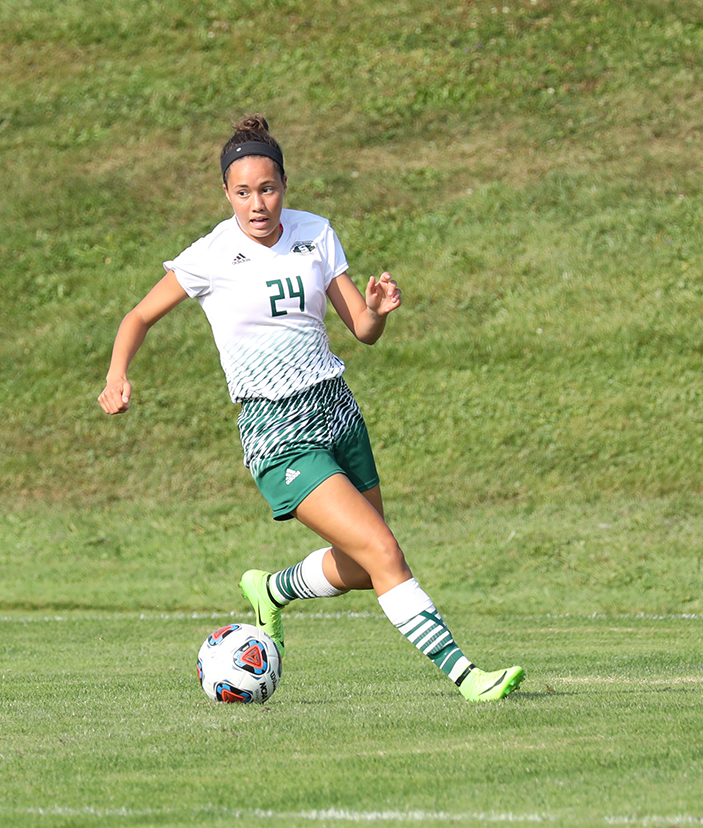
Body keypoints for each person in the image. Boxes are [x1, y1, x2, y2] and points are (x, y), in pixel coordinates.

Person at [97, 115, 525, 702]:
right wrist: (118, 374)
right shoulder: (211, 255)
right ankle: (467, 676)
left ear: (285, 185)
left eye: (267, 188)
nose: (257, 203)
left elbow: (363, 331)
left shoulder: (316, 232)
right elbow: (138, 316)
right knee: (384, 552)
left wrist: (375, 310)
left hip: (337, 410)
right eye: (243, 191)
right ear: (226, 193)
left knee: (362, 565)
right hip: (276, 429)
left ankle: (273, 590)